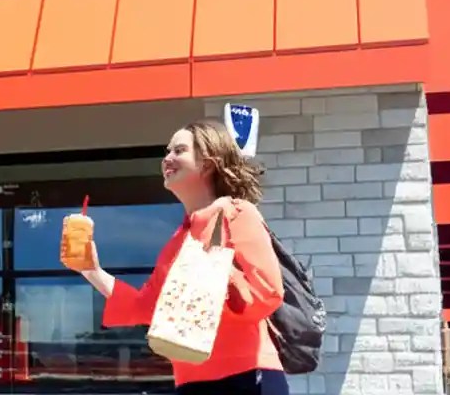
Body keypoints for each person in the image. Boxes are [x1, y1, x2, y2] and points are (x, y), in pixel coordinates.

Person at [67, 120, 288, 395]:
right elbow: (146, 307)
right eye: (167, 151)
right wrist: (92, 270)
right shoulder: (178, 240)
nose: (167, 158)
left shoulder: (238, 213)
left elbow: (267, 292)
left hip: (247, 374)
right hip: (190, 379)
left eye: (179, 150)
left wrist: (211, 272)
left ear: (208, 163)